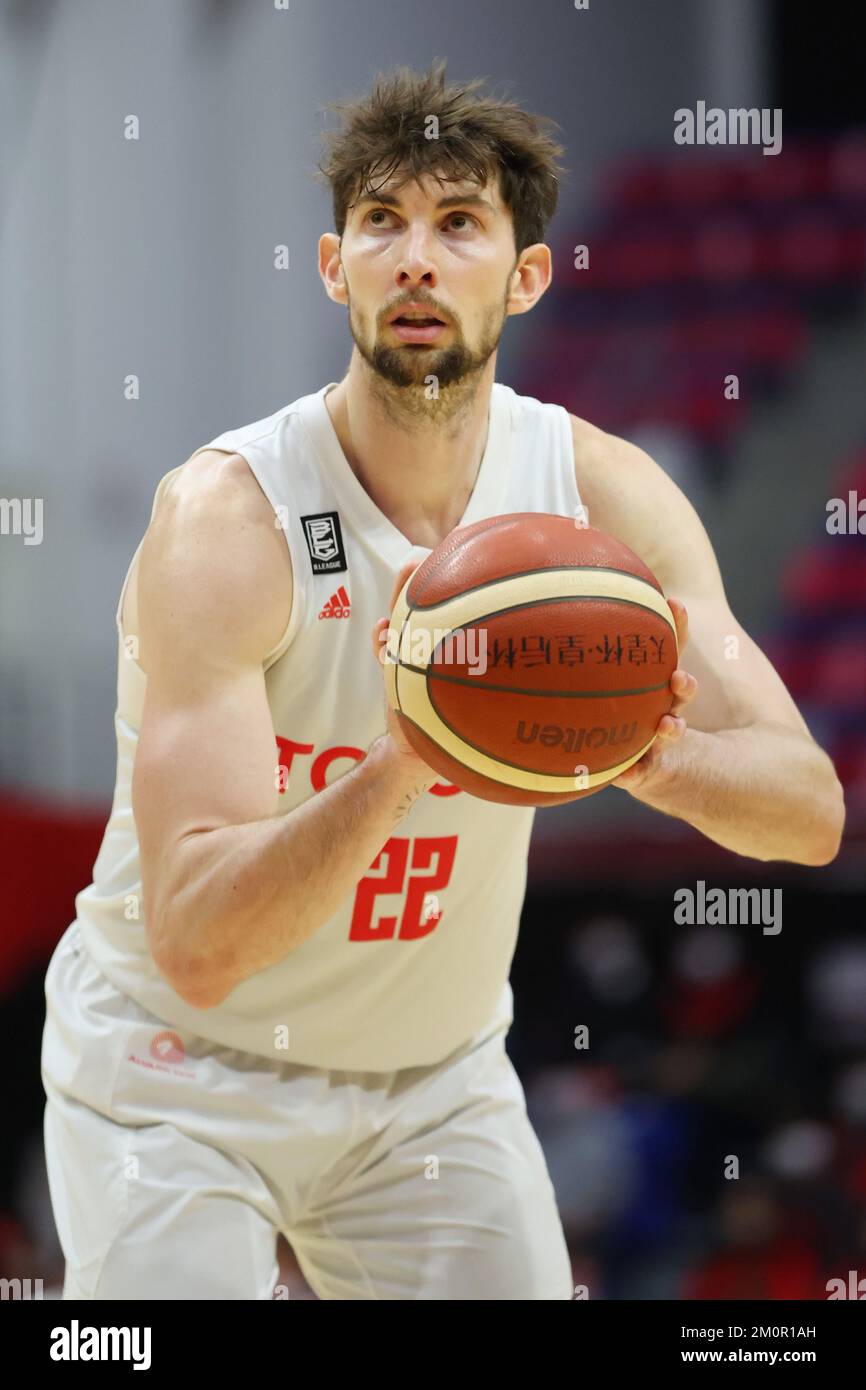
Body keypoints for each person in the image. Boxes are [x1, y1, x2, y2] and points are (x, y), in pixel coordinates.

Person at [41, 60, 844, 1301]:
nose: (415, 257)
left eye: (457, 223)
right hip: (178, 1069)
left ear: (525, 275)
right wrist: (413, 754)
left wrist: (640, 751)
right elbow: (199, 945)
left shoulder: (605, 497)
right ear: (334, 266)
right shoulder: (230, 520)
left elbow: (807, 809)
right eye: (382, 223)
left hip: (431, 1085)